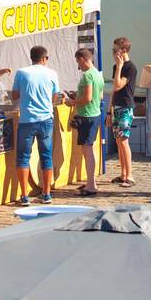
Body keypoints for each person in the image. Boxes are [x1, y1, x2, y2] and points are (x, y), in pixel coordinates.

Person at [11, 45, 61, 207]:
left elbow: (15, 96)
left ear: (31, 57)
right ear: (45, 58)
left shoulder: (21, 72)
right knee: (46, 156)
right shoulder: (52, 73)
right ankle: (46, 193)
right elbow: (55, 96)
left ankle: (24, 196)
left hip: (27, 120)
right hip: (46, 118)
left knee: (23, 157)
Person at [64, 47, 104, 197]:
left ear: (81, 59)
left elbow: (87, 98)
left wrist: (72, 101)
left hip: (86, 115)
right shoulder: (97, 74)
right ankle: (90, 182)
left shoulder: (87, 76)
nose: (78, 66)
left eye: (78, 63)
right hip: (94, 114)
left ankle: (91, 185)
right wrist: (77, 95)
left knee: (87, 151)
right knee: (89, 150)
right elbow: (97, 96)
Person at [108, 37, 137, 187]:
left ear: (123, 50)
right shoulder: (116, 67)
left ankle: (130, 175)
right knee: (119, 141)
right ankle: (123, 173)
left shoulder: (129, 67)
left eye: (115, 50)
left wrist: (119, 67)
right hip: (117, 106)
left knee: (124, 141)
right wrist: (109, 110)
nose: (113, 53)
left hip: (126, 106)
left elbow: (119, 85)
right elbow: (114, 88)